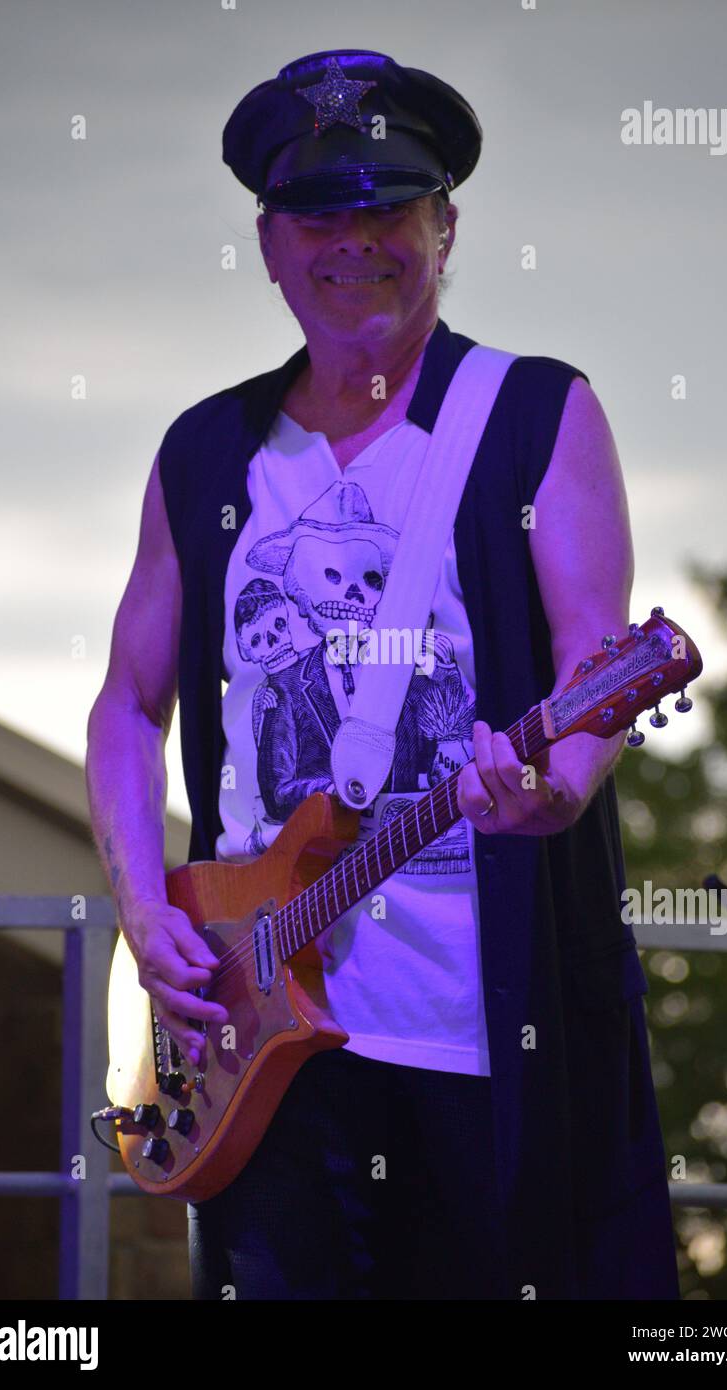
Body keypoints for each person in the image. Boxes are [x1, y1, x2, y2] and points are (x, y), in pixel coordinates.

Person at [86, 48, 679, 1300]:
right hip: (261, 1049)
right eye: (320, 213)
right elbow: (129, 705)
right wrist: (148, 917)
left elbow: (589, 654)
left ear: (445, 225)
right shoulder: (205, 451)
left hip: (485, 1040)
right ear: (267, 241)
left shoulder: (532, 413)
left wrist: (562, 780)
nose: (352, 241)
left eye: (387, 208)